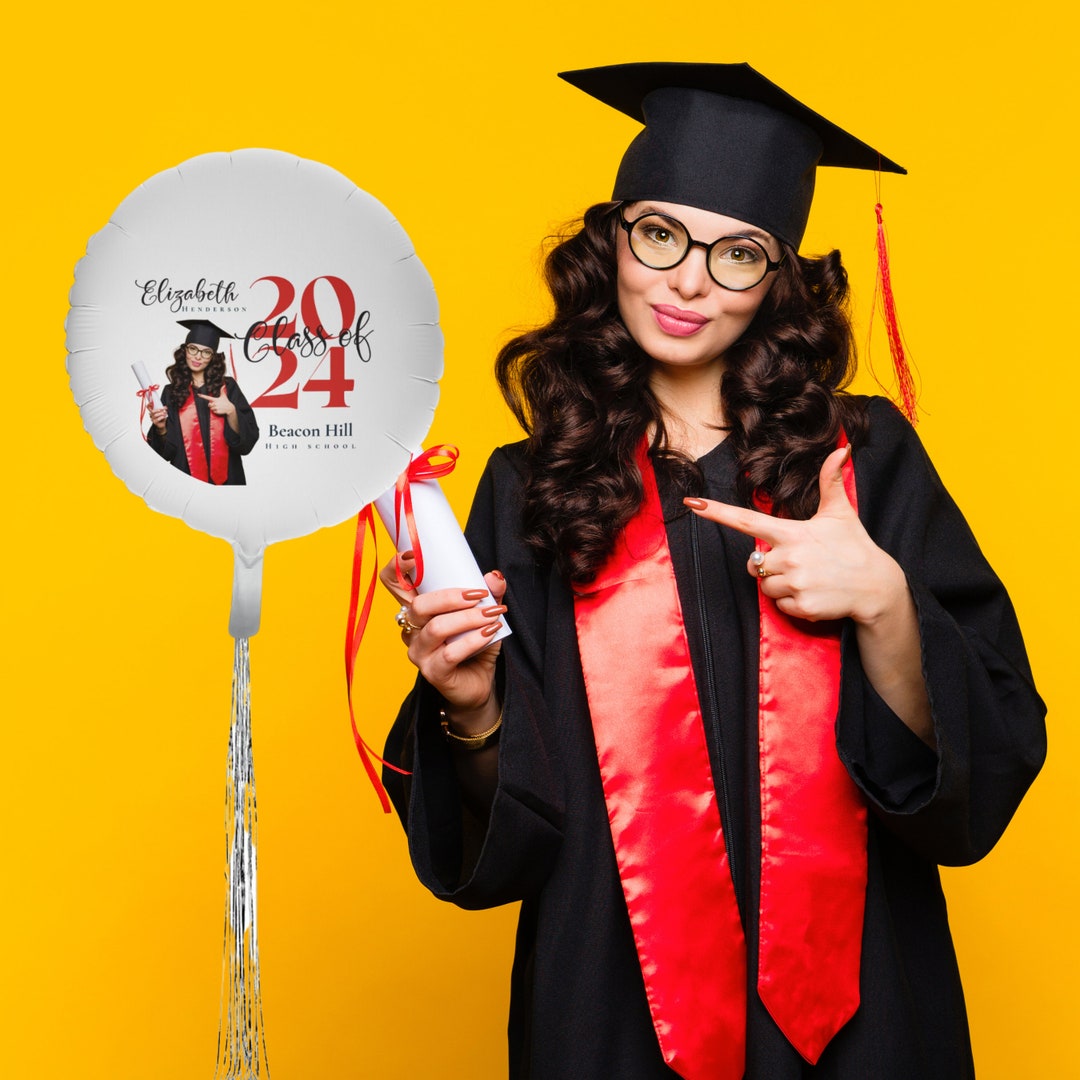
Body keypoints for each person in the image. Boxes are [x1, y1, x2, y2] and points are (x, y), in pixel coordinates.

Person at [380, 63, 1046, 1080]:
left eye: (737, 254)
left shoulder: (867, 461)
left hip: (861, 1002)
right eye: (660, 235)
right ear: (612, 243)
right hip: (614, 1003)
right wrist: (472, 706)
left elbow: (990, 758)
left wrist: (886, 605)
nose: (689, 280)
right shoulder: (534, 486)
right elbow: (509, 841)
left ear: (779, 279)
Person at [146, 319, 259, 484]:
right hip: (185, 481)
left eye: (206, 352)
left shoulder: (228, 387)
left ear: (213, 357)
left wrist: (231, 411)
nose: (198, 356)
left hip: (228, 481)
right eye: (193, 349)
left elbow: (246, 444)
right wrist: (161, 428)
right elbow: (165, 454)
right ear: (185, 350)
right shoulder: (171, 392)